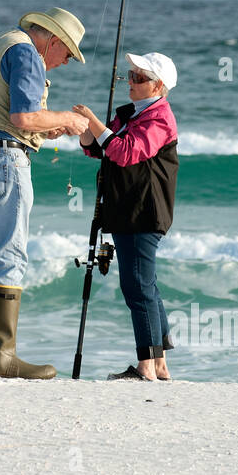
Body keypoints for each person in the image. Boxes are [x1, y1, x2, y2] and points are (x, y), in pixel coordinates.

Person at [0, 7, 90, 379]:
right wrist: (67, 119)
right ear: (54, 40)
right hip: (4, 162)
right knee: (10, 255)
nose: (63, 63)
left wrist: (46, 129)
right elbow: (23, 119)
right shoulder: (27, 52)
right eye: (66, 54)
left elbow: (2, 112)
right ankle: (3, 356)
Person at [74, 52, 179, 381]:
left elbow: (127, 152)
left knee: (137, 286)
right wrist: (84, 132)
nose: (130, 83)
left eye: (139, 78)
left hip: (144, 212)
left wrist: (94, 120)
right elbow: (101, 148)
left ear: (159, 86)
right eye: (129, 75)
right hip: (125, 209)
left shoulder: (159, 118)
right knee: (144, 284)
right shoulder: (130, 114)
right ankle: (159, 363)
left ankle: (146, 364)